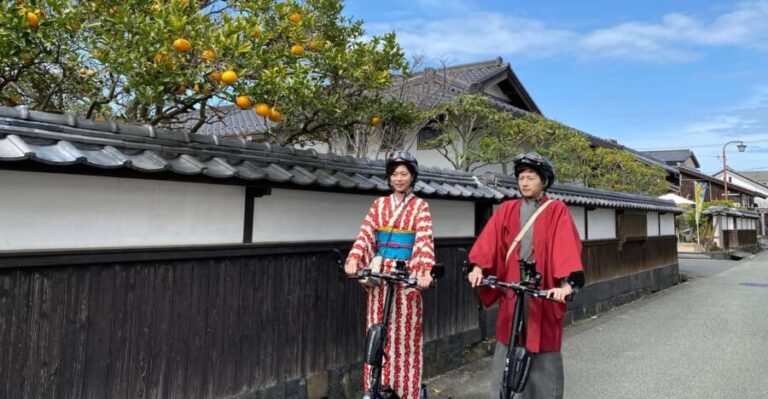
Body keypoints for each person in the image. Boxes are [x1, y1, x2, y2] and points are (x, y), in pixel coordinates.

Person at [466, 152, 585, 399]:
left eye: (531, 177)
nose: (525, 182)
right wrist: (477, 268)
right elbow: (489, 242)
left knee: (543, 347)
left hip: (543, 291)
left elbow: (565, 248)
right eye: (521, 178)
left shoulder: (556, 210)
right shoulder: (507, 209)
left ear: (544, 181)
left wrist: (566, 286)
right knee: (507, 343)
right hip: (513, 288)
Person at [345, 150, 435, 398]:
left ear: (412, 176)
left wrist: (424, 271)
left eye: (404, 174)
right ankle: (374, 387)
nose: (399, 178)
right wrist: (354, 259)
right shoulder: (379, 204)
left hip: (405, 277)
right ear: (389, 177)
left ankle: (406, 391)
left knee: (405, 338)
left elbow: (424, 240)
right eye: (394, 174)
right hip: (381, 276)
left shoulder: (420, 206)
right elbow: (365, 234)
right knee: (377, 334)